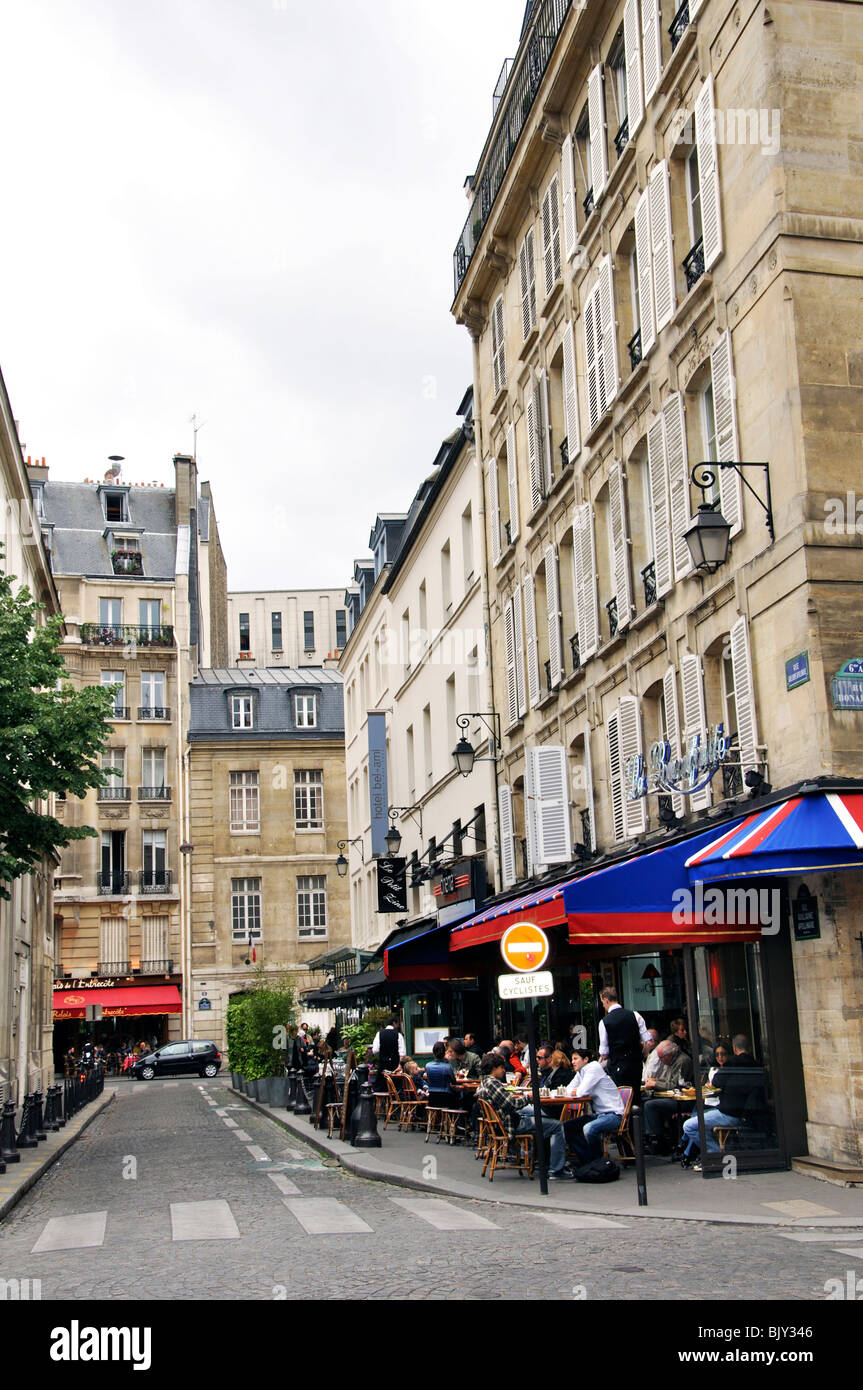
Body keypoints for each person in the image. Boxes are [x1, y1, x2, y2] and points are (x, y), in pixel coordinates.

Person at [477, 1053, 574, 1180]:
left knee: (543, 1121)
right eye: (501, 1067)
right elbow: (512, 1104)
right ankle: (556, 1169)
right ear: (494, 1068)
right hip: (511, 1125)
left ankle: (541, 1161)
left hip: (498, 1125)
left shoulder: (483, 1083)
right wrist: (528, 1097)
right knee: (556, 1125)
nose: (504, 1070)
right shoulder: (493, 1084)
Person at [680, 1034, 760, 1165]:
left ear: (734, 1048)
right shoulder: (756, 1064)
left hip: (729, 1113)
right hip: (748, 1114)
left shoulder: (732, 1063)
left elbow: (717, 1081)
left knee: (688, 1126)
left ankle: (714, 1153)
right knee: (701, 1119)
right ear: (749, 1048)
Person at [563, 1047, 626, 1164]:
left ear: (585, 1059)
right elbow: (568, 1090)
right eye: (572, 1059)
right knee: (566, 1127)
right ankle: (587, 1159)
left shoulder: (593, 1068)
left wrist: (577, 1090)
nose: (572, 1062)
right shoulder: (581, 1072)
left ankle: (598, 1160)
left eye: (575, 1059)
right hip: (599, 1114)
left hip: (613, 1115)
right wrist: (577, 1090)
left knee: (589, 1128)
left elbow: (581, 1092)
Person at [641, 1040, 695, 1153]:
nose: (660, 1060)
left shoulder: (682, 1061)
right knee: (643, 1100)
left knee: (650, 1105)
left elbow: (675, 1084)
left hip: (683, 1100)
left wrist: (655, 1084)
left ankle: (658, 1139)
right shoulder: (671, 1062)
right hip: (673, 1097)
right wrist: (655, 1080)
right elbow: (667, 1080)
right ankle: (647, 1136)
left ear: (669, 1055)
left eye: (661, 1057)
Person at [598, 987, 652, 1094]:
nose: (603, 1005)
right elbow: (647, 1042)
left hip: (618, 1065)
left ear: (606, 1000)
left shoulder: (604, 1022)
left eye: (602, 1002)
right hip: (635, 1064)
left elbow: (604, 1053)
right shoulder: (635, 1015)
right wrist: (642, 1055)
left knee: (622, 1099)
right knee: (635, 1096)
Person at [371, 1015, 406, 1091]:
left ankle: (383, 1102)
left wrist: (382, 1054)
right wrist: (399, 1065)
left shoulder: (379, 1034)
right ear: (394, 1023)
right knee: (396, 1088)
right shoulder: (398, 1035)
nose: (398, 1026)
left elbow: (375, 1050)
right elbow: (402, 1053)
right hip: (395, 1066)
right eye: (398, 1024)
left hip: (383, 1065)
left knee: (381, 1088)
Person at [424, 1041, 458, 1108]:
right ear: (444, 1053)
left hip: (432, 1096)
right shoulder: (447, 1066)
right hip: (446, 1097)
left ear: (433, 1053)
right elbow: (454, 1082)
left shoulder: (428, 1066)